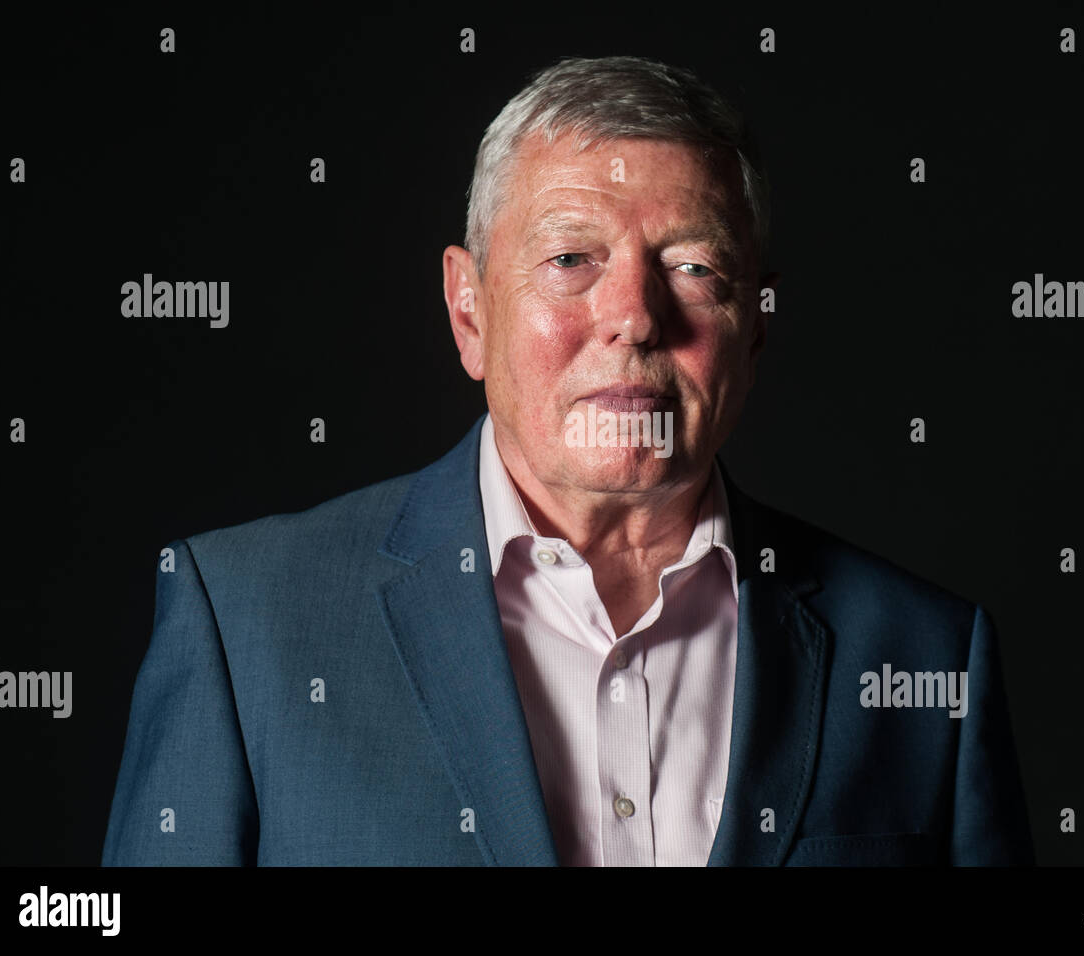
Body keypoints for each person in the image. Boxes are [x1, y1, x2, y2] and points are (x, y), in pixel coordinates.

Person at [102, 55, 1034, 866]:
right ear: (469, 310)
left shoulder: (925, 656)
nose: (634, 314)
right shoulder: (248, 625)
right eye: (570, 259)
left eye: (694, 268)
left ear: (756, 328)